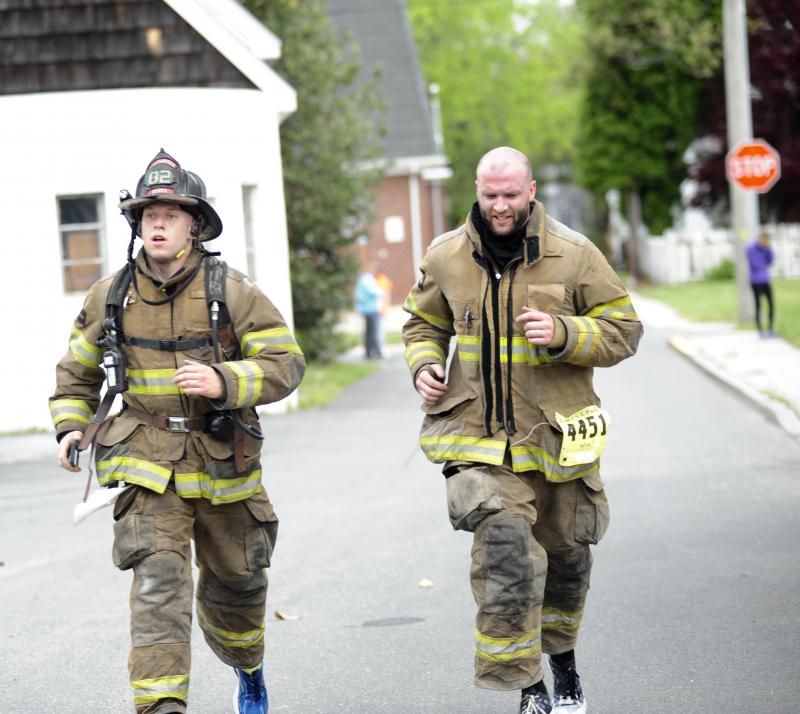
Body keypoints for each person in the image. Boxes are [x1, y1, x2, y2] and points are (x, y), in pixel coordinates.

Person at [49, 149, 305, 714]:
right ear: (137, 224)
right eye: (148, 214)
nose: (158, 223)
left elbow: (287, 365)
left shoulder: (234, 292)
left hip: (223, 463)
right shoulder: (110, 296)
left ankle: (249, 668)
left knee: (238, 586)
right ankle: (163, 707)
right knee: (158, 584)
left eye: (170, 213)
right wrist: (70, 425)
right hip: (144, 460)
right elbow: (77, 372)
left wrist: (224, 380)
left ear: (194, 225)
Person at [402, 147, 642, 714]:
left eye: (511, 195)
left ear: (531, 190)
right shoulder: (446, 256)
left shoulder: (575, 255)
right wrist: (425, 367)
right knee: (507, 552)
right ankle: (528, 687)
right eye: (490, 195)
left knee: (566, 562)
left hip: (557, 439)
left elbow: (624, 331)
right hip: (480, 442)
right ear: (478, 191)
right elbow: (421, 322)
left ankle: (563, 665)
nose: (500, 206)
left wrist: (563, 332)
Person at [746, 232, 776, 337]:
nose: (765, 242)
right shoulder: (751, 248)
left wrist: (769, 249)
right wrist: (763, 264)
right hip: (755, 281)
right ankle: (760, 331)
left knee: (771, 305)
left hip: (765, 280)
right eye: (764, 240)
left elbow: (770, 261)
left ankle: (771, 329)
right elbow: (755, 264)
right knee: (758, 305)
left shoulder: (766, 249)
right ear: (760, 239)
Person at [355, 267, 385, 359]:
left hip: (365, 310)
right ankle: (376, 352)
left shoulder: (360, 282)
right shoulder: (367, 281)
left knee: (368, 332)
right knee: (374, 332)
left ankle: (368, 352)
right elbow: (377, 292)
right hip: (372, 310)